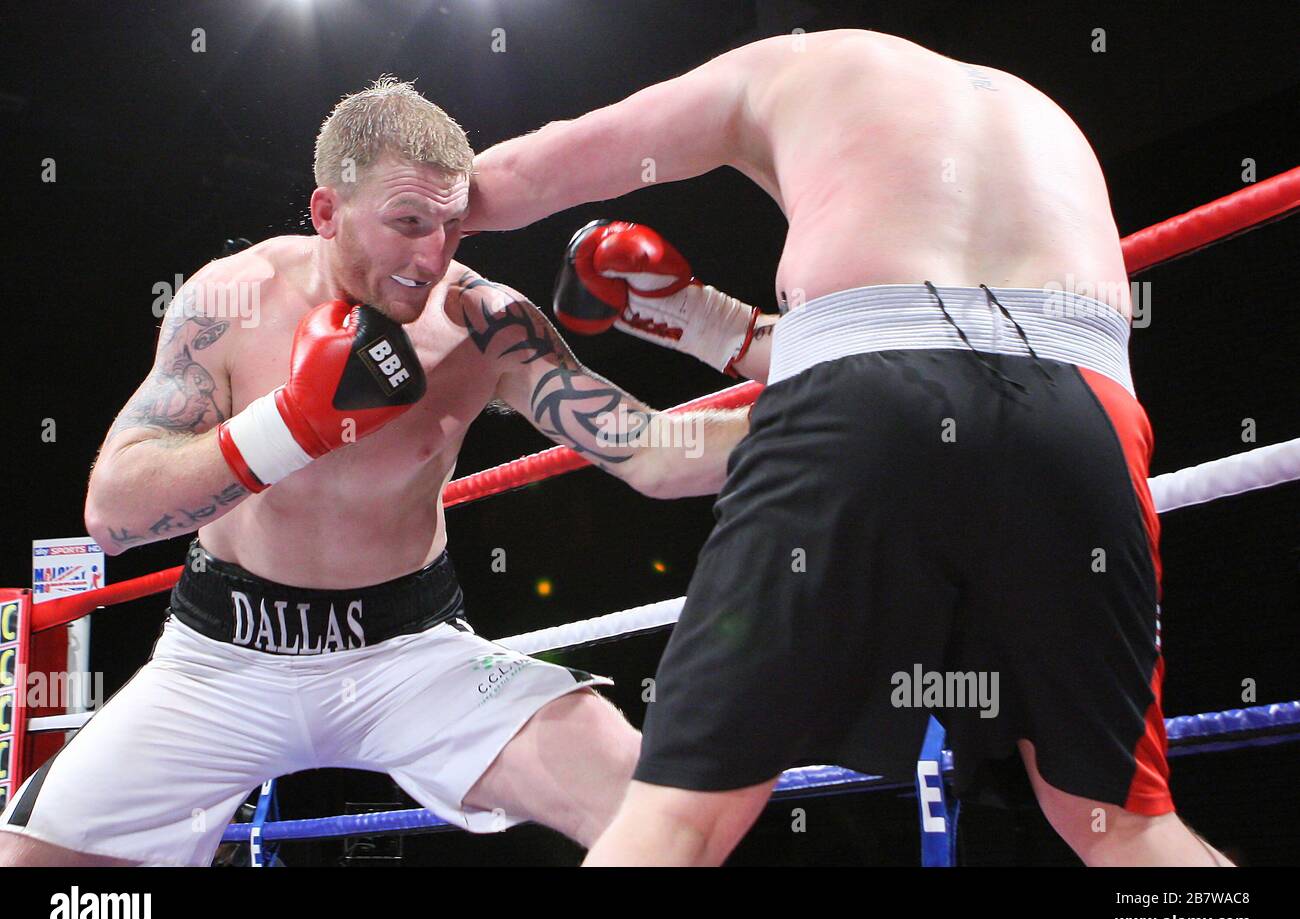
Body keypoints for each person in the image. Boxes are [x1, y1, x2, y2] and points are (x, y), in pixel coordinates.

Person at [468, 29, 1233, 866]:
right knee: (1123, 825)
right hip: (1081, 414)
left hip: (863, 407)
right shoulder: (1039, 112)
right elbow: (948, 328)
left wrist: (369, 237)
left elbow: (521, 176)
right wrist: (699, 319)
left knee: (678, 820)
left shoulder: (781, 67)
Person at [0, 77, 748, 866]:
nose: (432, 258)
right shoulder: (232, 300)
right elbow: (112, 516)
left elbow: (656, 453)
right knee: (39, 872)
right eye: (408, 223)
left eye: (454, 226)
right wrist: (289, 426)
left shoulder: (486, 324)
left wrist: (836, 411)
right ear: (327, 212)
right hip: (221, 657)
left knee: (649, 809)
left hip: (409, 650)